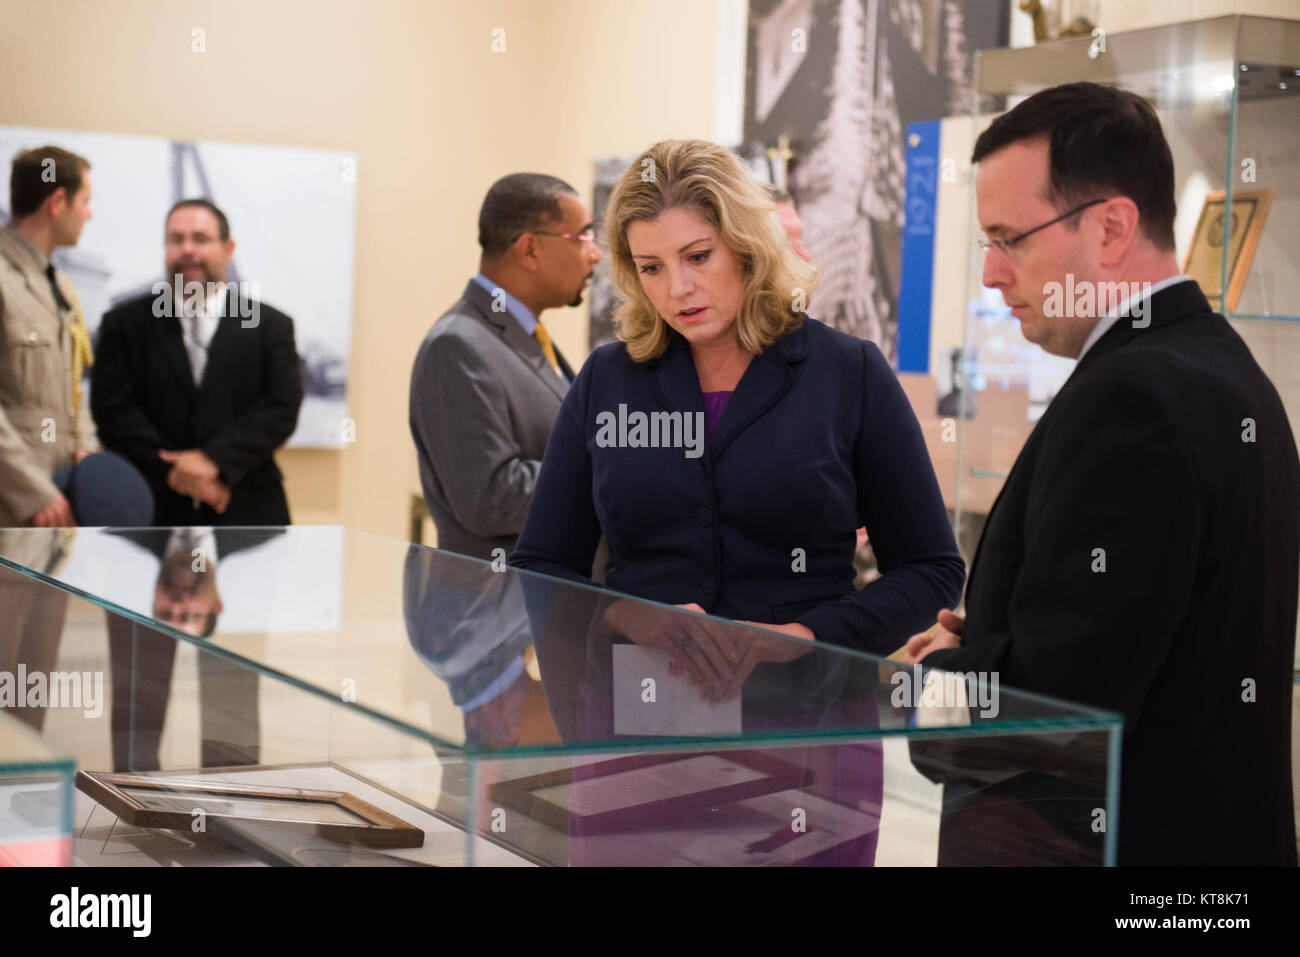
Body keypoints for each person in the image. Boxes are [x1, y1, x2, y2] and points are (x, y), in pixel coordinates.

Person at [903, 82, 1300, 866]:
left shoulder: (1133, 396)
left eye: (1009, 238)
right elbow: (1130, 636)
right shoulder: (1217, 366)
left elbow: (1060, 705)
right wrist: (993, 636)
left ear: (1113, 226)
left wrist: (930, 678)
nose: (990, 274)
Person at [410, 173, 601, 563]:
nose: (594, 254)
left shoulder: (521, 336)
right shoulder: (456, 345)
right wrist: (615, 472)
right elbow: (489, 497)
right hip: (500, 609)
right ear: (529, 250)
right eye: (582, 237)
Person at [91, 198, 302, 525]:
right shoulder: (123, 324)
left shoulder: (270, 326)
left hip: (247, 513)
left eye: (200, 239)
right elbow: (112, 410)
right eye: (176, 239)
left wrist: (213, 460)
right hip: (147, 513)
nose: (187, 250)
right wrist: (178, 473)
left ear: (228, 248)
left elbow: (281, 407)